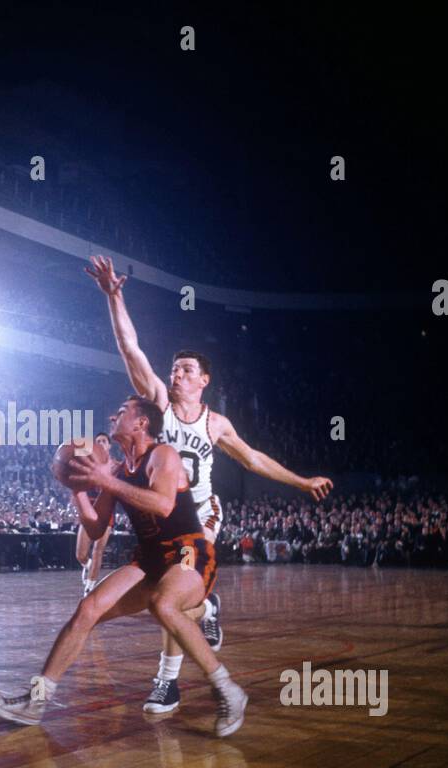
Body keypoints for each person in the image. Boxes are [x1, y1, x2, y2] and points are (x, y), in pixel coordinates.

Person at [86, 255, 333, 713]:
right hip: (161, 513)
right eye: (174, 368)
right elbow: (130, 348)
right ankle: (209, 609)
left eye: (184, 370)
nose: (175, 374)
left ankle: (167, 681)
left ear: (204, 380)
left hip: (201, 514)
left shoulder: (215, 423)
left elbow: (254, 458)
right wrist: (114, 296)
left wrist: (301, 482)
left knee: (168, 593)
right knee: (170, 600)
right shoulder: (156, 405)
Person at [0, 396, 248, 737]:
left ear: (141, 424)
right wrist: (78, 490)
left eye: (123, 412)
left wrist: (107, 481)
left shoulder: (162, 455)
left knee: (163, 603)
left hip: (188, 551)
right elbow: (96, 528)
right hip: (150, 557)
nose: (113, 414)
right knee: (88, 609)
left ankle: (228, 689)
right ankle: (36, 701)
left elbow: (163, 504)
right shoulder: (117, 470)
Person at [74, 432, 116, 596]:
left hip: (106, 511)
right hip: (88, 510)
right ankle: (87, 565)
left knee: (98, 550)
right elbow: (70, 454)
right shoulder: (86, 460)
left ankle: (90, 588)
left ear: (109, 445)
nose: (100, 443)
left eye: (104, 441)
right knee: (80, 555)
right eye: (97, 441)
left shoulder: (115, 465)